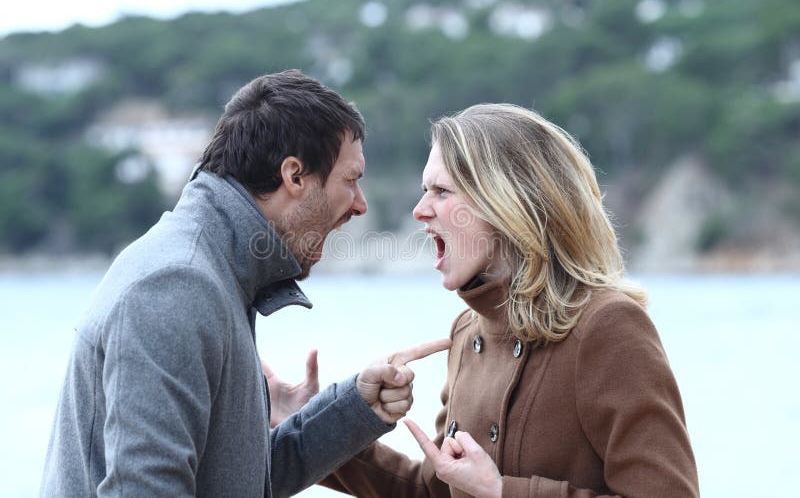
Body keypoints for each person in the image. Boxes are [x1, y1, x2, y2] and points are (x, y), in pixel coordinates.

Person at [40, 69, 449, 497]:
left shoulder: (211, 271)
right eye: (351, 180)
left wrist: (353, 409)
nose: (360, 205)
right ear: (294, 176)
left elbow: (236, 479)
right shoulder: (174, 286)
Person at [316, 103, 700, 497]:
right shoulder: (467, 332)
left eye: (442, 191)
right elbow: (437, 491)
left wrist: (502, 492)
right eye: (424, 190)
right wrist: (317, 430)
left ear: (506, 202)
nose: (419, 210)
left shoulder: (608, 326)